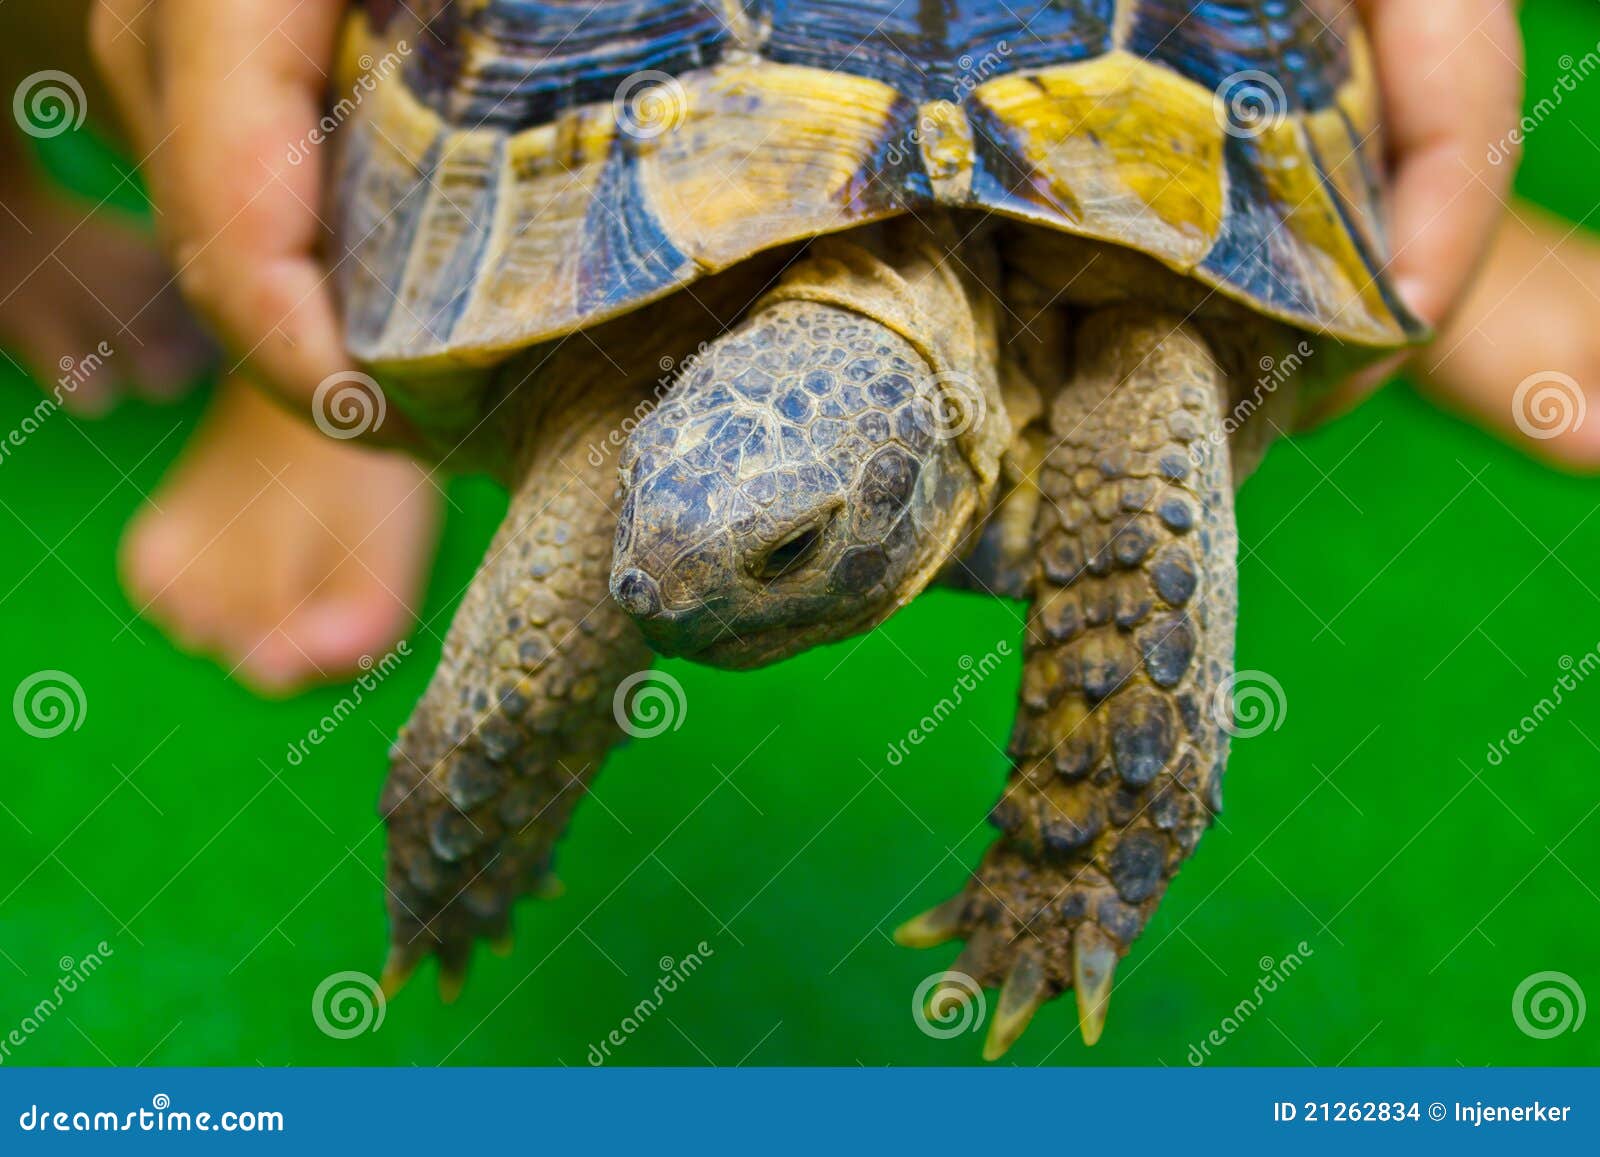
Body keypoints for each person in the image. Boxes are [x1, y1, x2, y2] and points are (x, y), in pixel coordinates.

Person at [3, 0, 1572, 694]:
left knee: (1203, 349)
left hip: (1153, 91)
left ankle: (1402, 219)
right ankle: (315, 289)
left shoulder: (1124, 401)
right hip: (610, 87)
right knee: (196, 59)